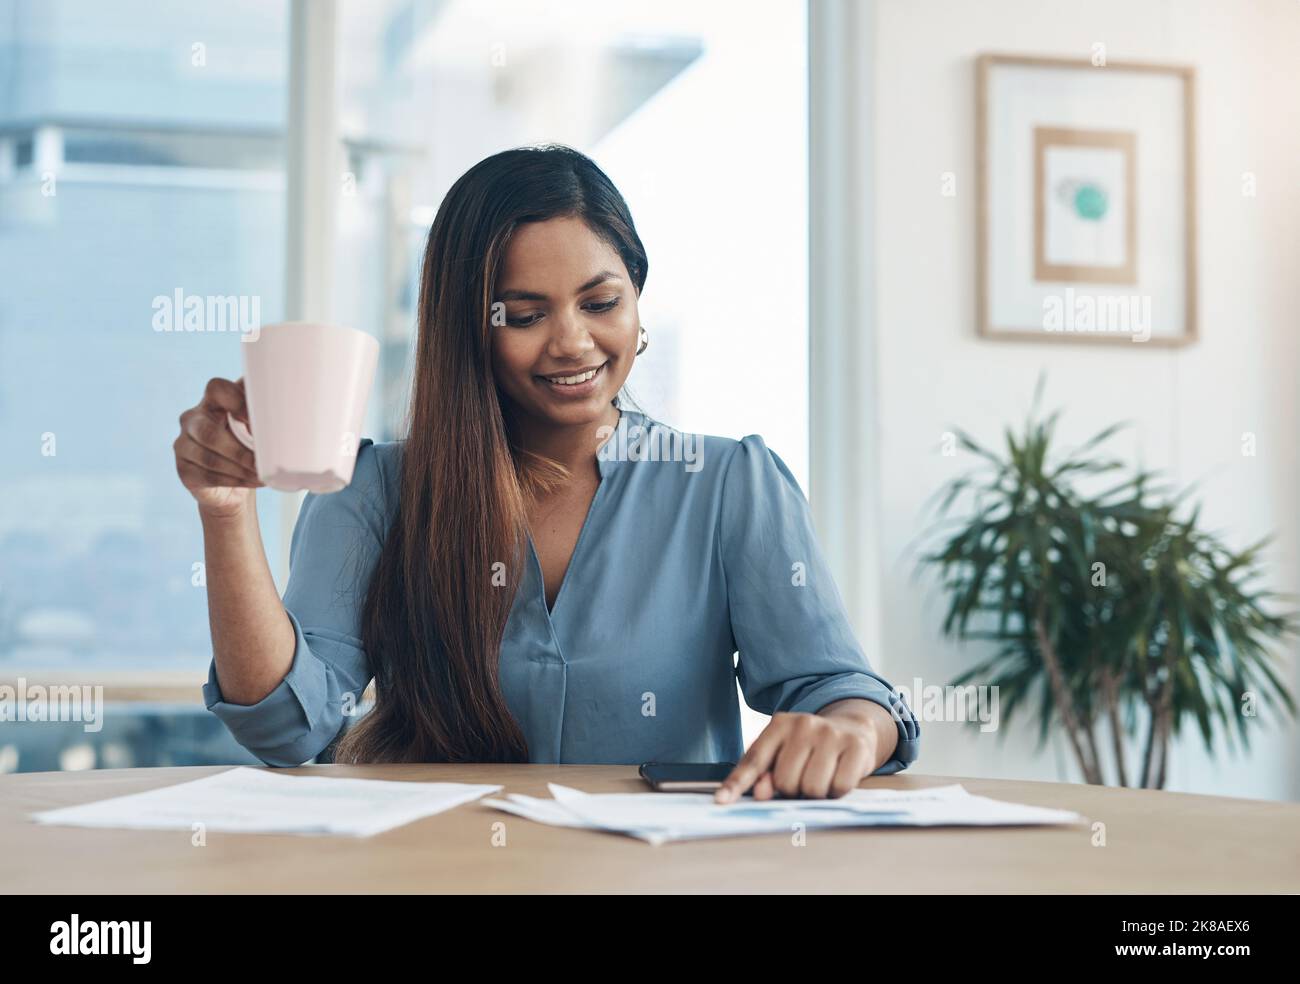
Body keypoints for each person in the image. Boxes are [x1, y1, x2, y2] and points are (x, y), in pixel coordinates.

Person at [173, 144, 919, 802]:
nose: (573, 342)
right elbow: (285, 725)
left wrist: (853, 730)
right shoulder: (375, 493)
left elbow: (839, 689)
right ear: (470, 331)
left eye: (601, 302)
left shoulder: (728, 484)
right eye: (524, 315)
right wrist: (225, 510)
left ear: (637, 300)